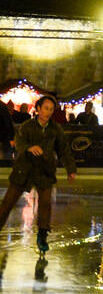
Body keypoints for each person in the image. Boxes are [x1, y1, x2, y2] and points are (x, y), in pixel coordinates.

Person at [0, 94, 78, 252]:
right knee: (8, 202)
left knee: (45, 204)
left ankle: (42, 236)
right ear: (38, 109)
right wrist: (29, 147)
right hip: (24, 169)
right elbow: (19, 142)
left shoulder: (55, 128)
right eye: (45, 108)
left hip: (45, 170)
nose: (48, 112)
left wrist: (71, 170)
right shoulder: (27, 125)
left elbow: (63, 150)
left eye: (51, 109)